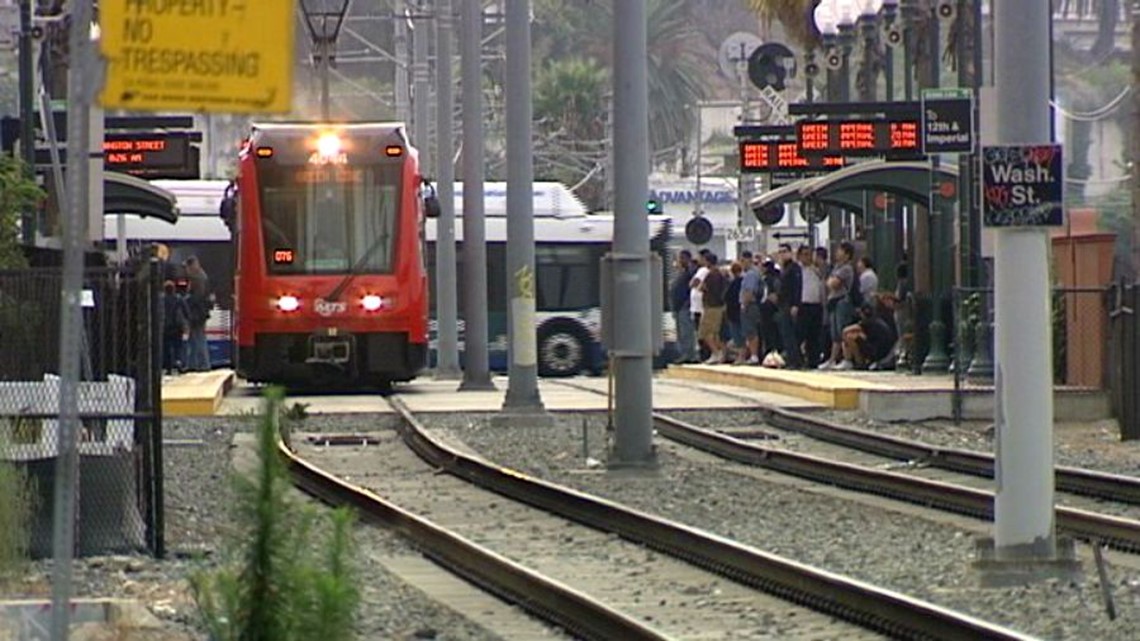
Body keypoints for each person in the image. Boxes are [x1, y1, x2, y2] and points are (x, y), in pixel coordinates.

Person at [819, 241, 856, 370]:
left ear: (847, 254)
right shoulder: (836, 267)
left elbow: (833, 284)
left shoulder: (847, 268)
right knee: (835, 334)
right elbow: (828, 282)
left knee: (842, 330)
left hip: (842, 301)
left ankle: (847, 359)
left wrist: (831, 281)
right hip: (833, 302)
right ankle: (832, 359)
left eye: (840, 251)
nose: (837, 253)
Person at [837, 301, 898, 370]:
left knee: (850, 337)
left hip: (877, 352)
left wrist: (845, 342)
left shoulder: (867, 322)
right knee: (857, 335)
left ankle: (856, 362)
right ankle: (857, 362)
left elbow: (845, 330)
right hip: (887, 351)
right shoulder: (877, 320)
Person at [796, 246, 825, 369]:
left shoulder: (816, 270)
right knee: (801, 334)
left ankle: (814, 360)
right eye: (805, 254)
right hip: (803, 305)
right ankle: (798, 360)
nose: (807, 257)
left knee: (814, 335)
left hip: (816, 305)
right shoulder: (797, 270)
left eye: (809, 254)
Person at [183, 255, 213, 371]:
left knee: (198, 337)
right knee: (194, 337)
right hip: (199, 312)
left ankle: (202, 364)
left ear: (192, 266)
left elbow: (198, 297)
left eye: (187, 267)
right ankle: (194, 364)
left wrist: (187, 300)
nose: (186, 270)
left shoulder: (198, 278)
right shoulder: (200, 276)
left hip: (197, 313)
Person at [775, 243, 803, 368]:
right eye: (780, 251)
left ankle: (795, 360)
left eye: (785, 251)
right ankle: (791, 359)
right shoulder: (783, 269)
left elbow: (797, 287)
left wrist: (795, 304)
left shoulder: (794, 268)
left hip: (790, 304)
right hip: (782, 304)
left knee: (790, 333)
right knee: (785, 334)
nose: (782, 254)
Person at [697, 253, 728, 364]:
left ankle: (716, 352)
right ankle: (719, 353)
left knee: (706, 332)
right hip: (718, 306)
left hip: (711, 306)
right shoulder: (720, 274)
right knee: (714, 332)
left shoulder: (711, 274)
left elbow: (701, 287)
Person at [670, 250, 698, 363]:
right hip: (677, 307)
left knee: (687, 332)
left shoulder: (690, 272)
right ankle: (683, 353)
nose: (679, 261)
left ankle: (690, 354)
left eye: (681, 258)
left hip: (684, 306)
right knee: (680, 332)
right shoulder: (681, 273)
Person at [161, 280, 189, 374]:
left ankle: (168, 367)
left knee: (167, 348)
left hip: (165, 327)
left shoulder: (162, 299)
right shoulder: (179, 299)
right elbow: (186, 312)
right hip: (177, 326)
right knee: (178, 347)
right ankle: (179, 363)